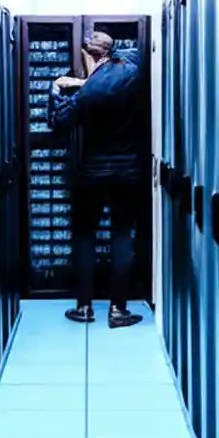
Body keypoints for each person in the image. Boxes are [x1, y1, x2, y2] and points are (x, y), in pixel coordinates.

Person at [49, 31, 146, 328]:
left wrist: (56, 89)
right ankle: (118, 310)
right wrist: (88, 78)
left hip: (91, 173)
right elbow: (128, 54)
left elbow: (57, 122)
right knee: (120, 237)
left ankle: (85, 307)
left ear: (90, 56)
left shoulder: (87, 94)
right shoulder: (132, 69)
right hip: (127, 172)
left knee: (85, 237)